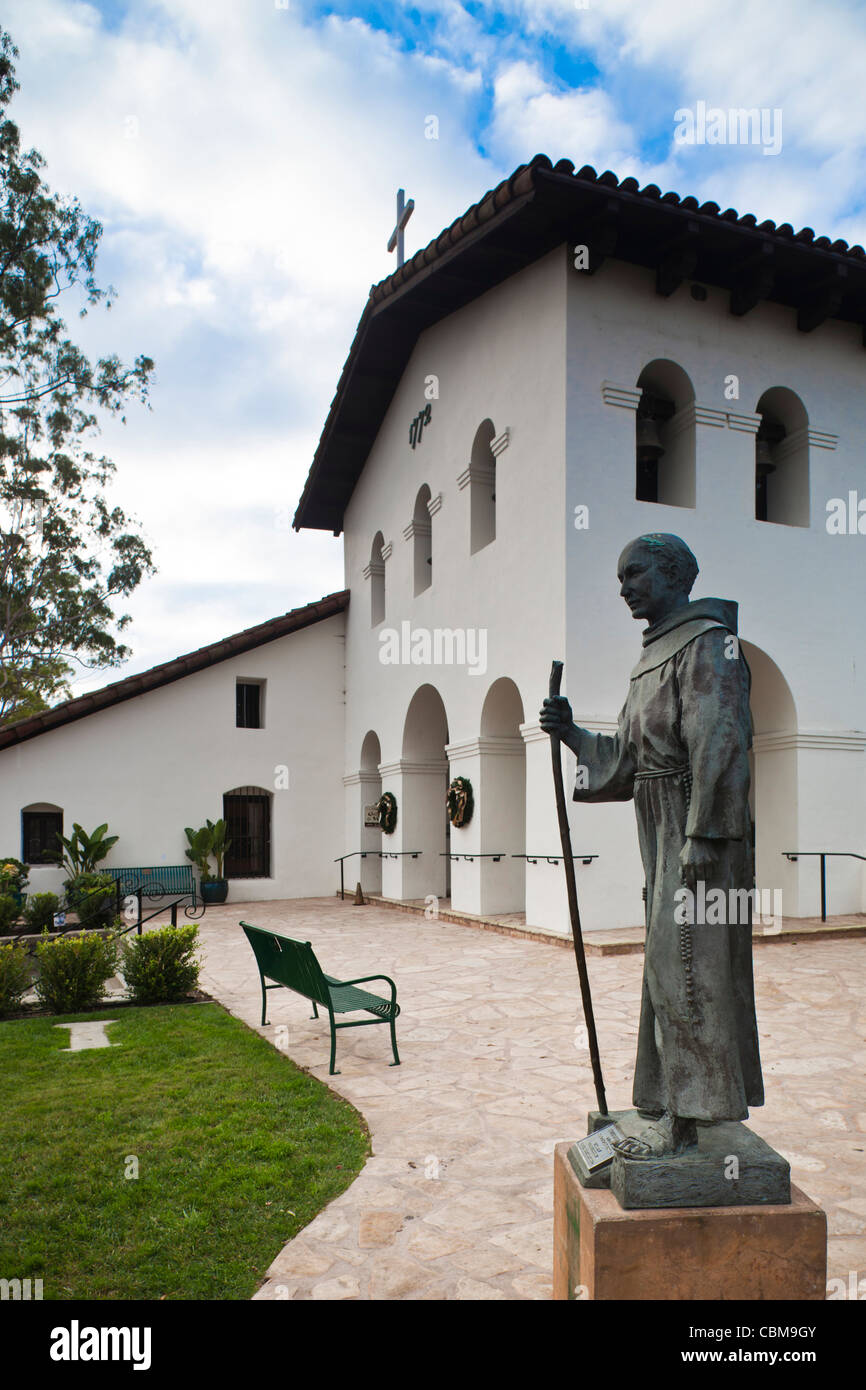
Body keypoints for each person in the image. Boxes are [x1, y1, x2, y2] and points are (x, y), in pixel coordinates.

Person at [540, 533, 763, 1160]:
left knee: (687, 970)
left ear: (672, 574)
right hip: (661, 825)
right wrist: (574, 734)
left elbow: (721, 742)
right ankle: (671, 1104)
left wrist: (702, 834)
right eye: (619, 578)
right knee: (666, 970)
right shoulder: (652, 656)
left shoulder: (710, 644)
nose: (623, 588)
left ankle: (687, 1120)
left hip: (699, 836)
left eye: (633, 573)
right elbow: (628, 759)